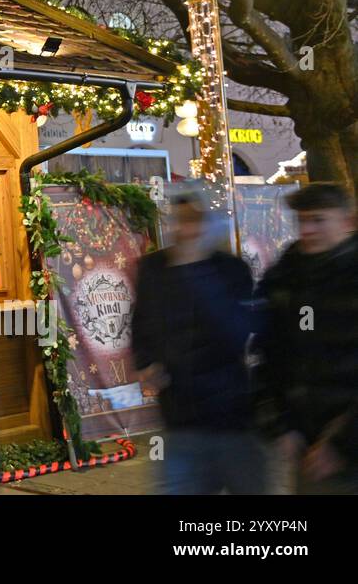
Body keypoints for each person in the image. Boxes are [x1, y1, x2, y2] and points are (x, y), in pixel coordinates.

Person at [132, 182, 263, 494]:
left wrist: (196, 272)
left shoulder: (230, 270)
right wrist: (146, 363)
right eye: (177, 220)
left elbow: (236, 332)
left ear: (206, 224)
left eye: (192, 221)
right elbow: (140, 324)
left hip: (231, 418)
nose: (183, 230)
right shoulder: (153, 269)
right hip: (178, 418)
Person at [258, 182, 358, 493]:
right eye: (301, 221)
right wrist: (282, 424)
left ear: (347, 222)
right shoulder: (287, 276)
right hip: (308, 447)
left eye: (318, 220)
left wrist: (342, 444)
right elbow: (272, 352)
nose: (307, 230)